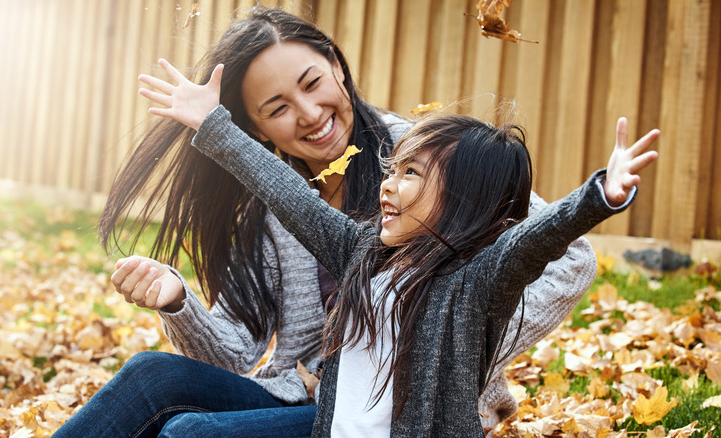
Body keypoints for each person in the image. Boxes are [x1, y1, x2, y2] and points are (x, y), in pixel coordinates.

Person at [53, 6, 596, 437]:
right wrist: (177, 299)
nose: (309, 113)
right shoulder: (266, 203)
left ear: (336, 66)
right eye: (278, 107)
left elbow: (570, 254)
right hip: (305, 397)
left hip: (404, 415)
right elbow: (234, 350)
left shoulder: (427, 162)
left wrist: (442, 346)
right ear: (257, 131)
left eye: (312, 83)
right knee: (152, 379)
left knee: (190, 433)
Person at [139, 59, 659, 436]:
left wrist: (599, 197)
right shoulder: (357, 251)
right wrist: (213, 125)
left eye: (411, 173)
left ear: (464, 202)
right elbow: (290, 194)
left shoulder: (475, 286)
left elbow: (536, 241)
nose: (387, 184)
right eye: (392, 169)